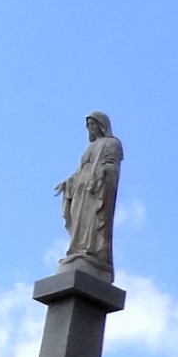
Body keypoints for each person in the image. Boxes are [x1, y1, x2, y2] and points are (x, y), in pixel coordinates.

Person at [55, 111, 123, 273]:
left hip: (96, 188)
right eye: (89, 125)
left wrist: (103, 172)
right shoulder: (90, 147)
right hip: (81, 190)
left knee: (93, 221)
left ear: (101, 125)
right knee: (80, 220)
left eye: (93, 124)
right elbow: (80, 170)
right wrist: (68, 183)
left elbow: (112, 165)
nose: (91, 128)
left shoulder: (112, 143)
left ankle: (93, 252)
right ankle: (78, 249)